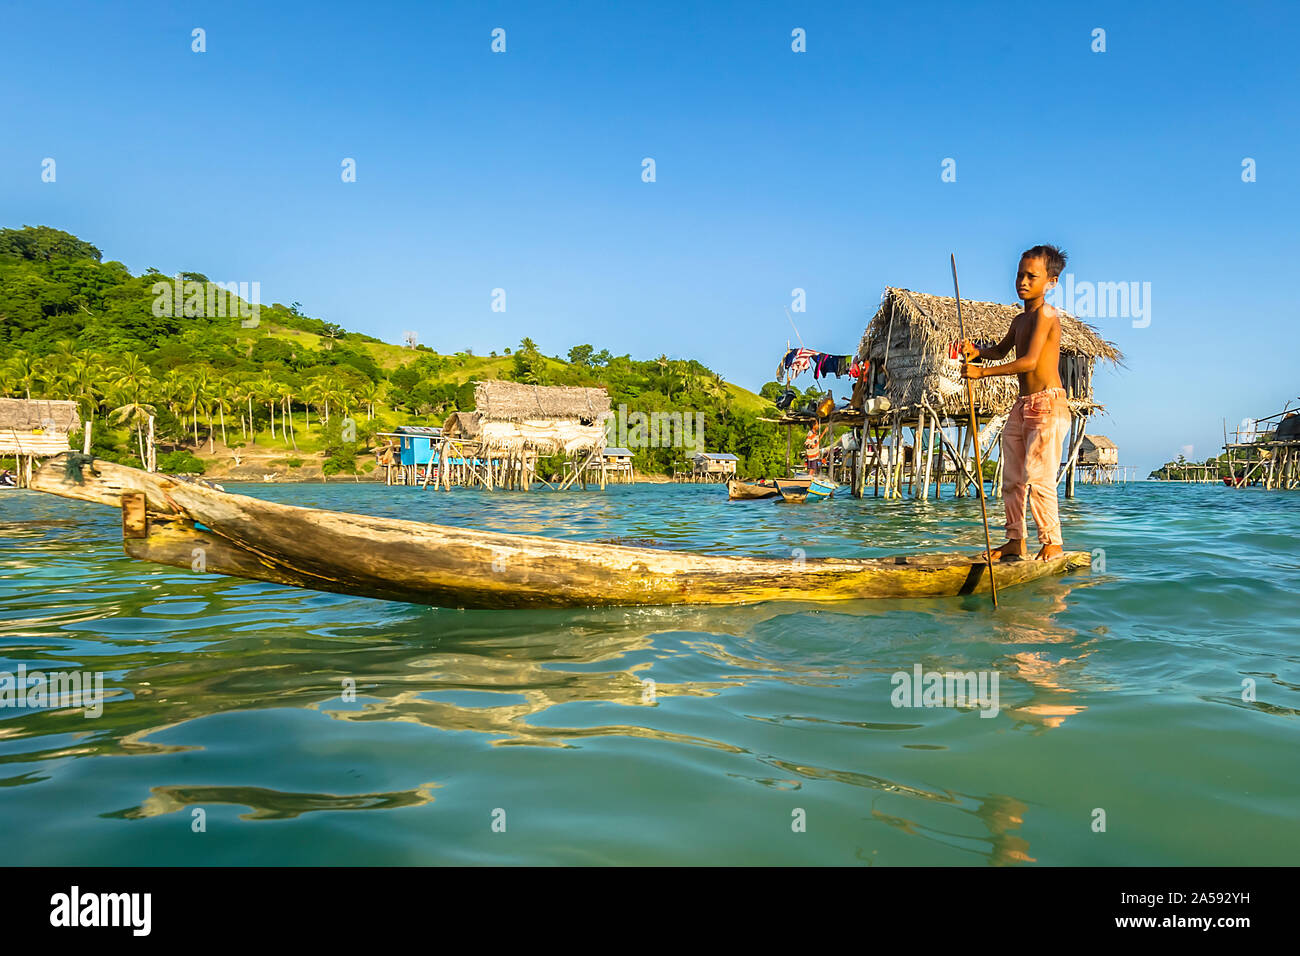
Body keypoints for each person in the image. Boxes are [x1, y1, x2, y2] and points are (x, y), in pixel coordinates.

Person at [956, 244, 1072, 561]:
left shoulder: (1047, 315)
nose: (1022, 281)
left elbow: (1030, 362)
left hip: (1048, 406)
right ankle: (1014, 541)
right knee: (1012, 479)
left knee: (1038, 477)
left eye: (1031, 276)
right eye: (1020, 274)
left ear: (1051, 282)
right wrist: (978, 351)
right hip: (1023, 406)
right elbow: (1002, 349)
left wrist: (982, 373)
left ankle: (1052, 543)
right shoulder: (1020, 320)